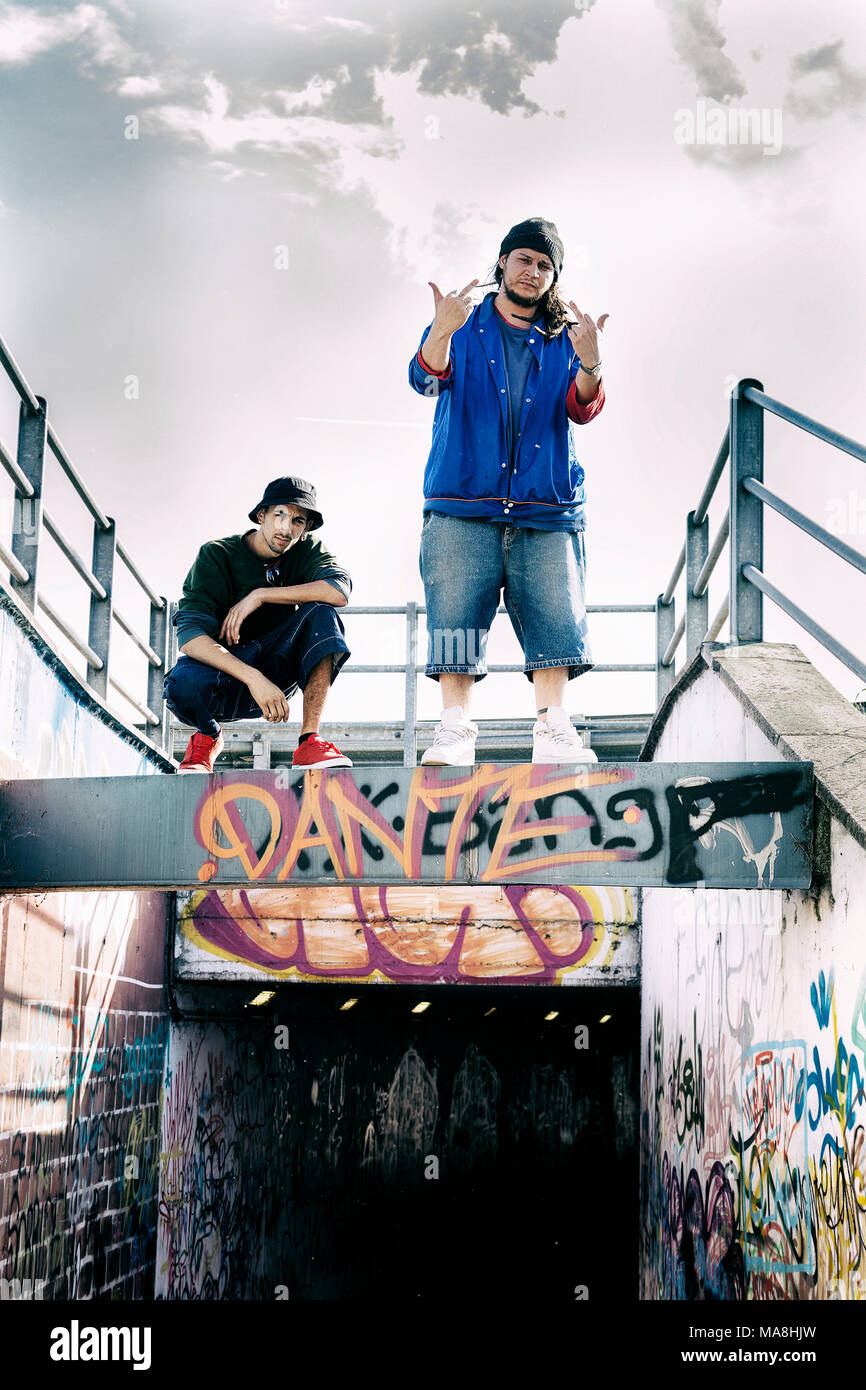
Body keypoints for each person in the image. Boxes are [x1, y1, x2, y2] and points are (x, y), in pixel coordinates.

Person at [409, 216, 608, 766]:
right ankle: (454, 731)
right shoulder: (464, 323)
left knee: (555, 616)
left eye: (545, 265)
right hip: (462, 500)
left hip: (546, 505)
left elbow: (582, 406)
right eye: (524, 259)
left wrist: (591, 361)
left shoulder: (565, 335)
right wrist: (441, 330)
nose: (533, 271)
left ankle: (553, 728)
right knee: (454, 615)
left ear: (553, 277)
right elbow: (426, 377)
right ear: (502, 263)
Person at [164, 476, 353, 772]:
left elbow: (339, 591)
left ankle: (309, 742)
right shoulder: (216, 555)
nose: (286, 528)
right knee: (179, 685)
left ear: (306, 529)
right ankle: (207, 736)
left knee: (321, 613)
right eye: (279, 514)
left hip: (278, 671)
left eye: (298, 520)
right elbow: (189, 635)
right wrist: (253, 677)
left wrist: (261, 595)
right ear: (261, 515)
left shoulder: (306, 549)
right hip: (223, 678)